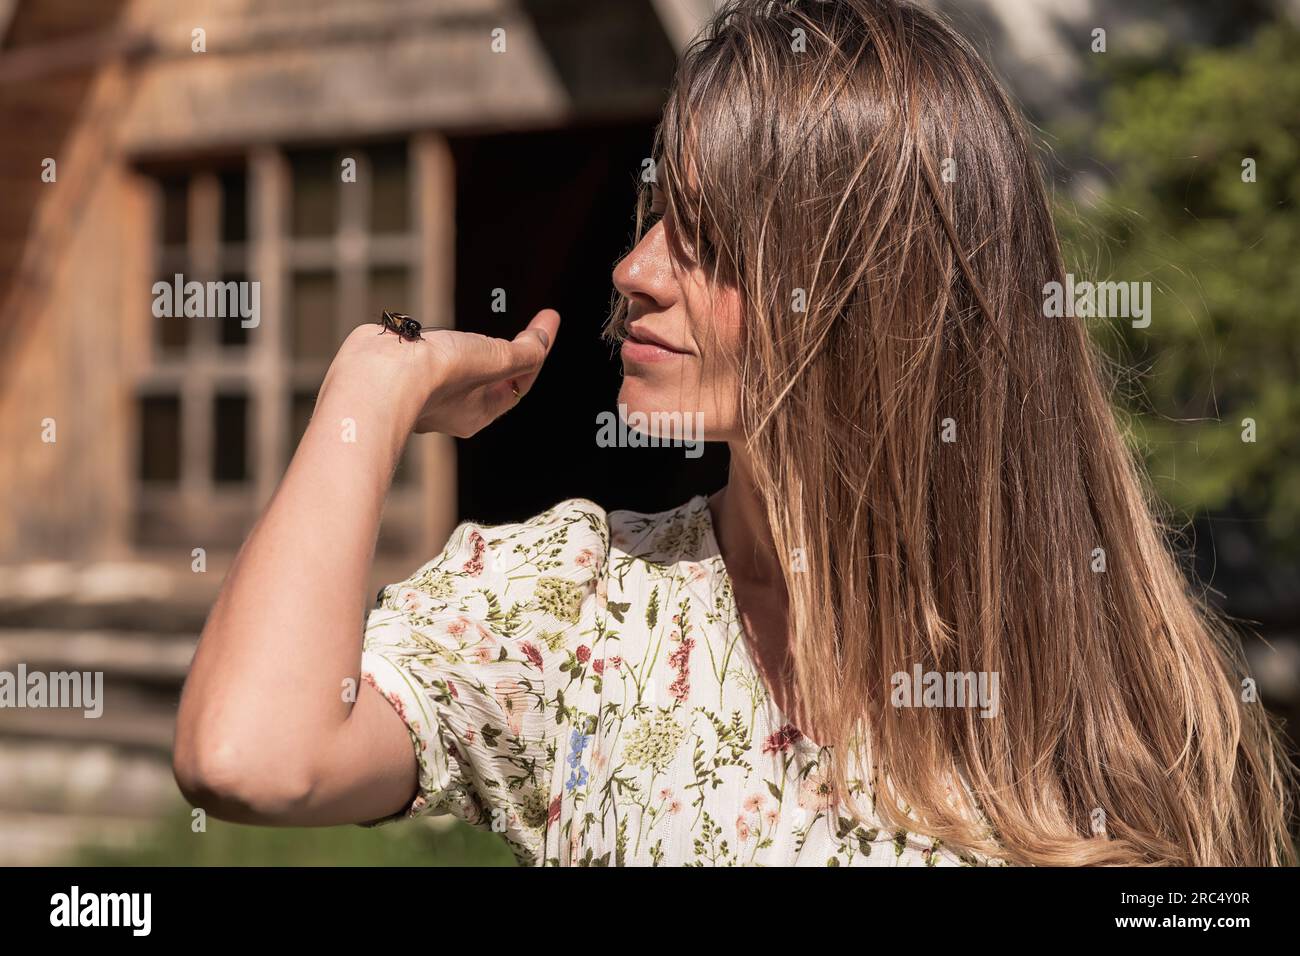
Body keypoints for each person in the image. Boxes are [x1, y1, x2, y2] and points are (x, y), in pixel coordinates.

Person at [173, 0, 1295, 866]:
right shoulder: (583, 603)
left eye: (707, 240)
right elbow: (248, 755)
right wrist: (368, 387)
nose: (632, 272)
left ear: (873, 294)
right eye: (656, 217)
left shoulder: (1096, 675)